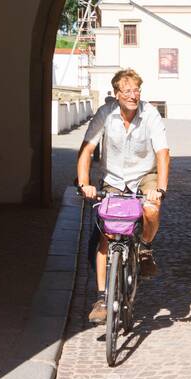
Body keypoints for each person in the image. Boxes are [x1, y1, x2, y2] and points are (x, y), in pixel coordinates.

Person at [77, 68, 170, 325]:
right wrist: (85, 184)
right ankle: (101, 298)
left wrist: (160, 188)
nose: (133, 95)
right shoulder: (106, 115)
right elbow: (87, 150)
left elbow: (162, 153)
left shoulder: (150, 114)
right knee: (107, 236)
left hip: (143, 176)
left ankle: (146, 249)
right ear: (116, 94)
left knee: (151, 209)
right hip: (114, 179)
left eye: (136, 90)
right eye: (127, 91)